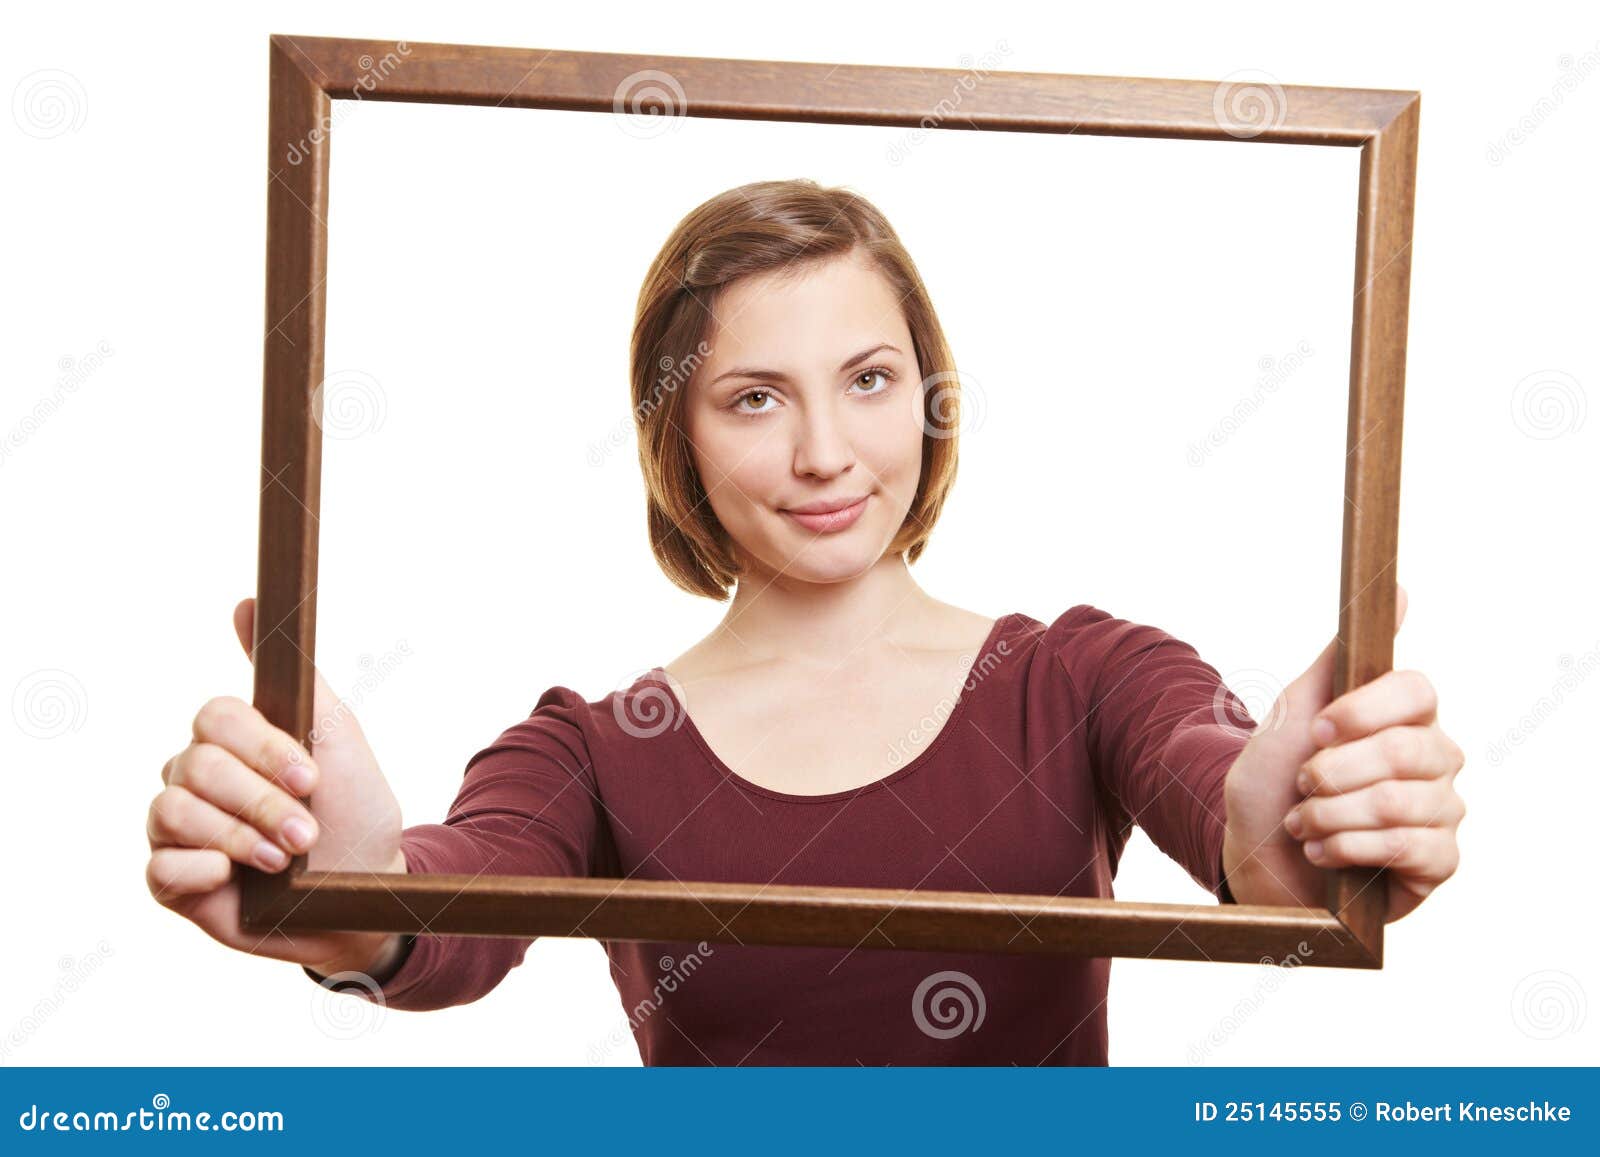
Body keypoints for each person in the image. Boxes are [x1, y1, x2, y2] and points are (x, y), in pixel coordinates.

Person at [146, 179, 1467, 1064]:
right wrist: (349, 893)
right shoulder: (596, 748)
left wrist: (1297, 834)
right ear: (678, 434)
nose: (827, 452)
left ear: (929, 397)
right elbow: (450, 908)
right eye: (755, 397)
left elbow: (1221, 796)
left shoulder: (1080, 676)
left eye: (869, 380)